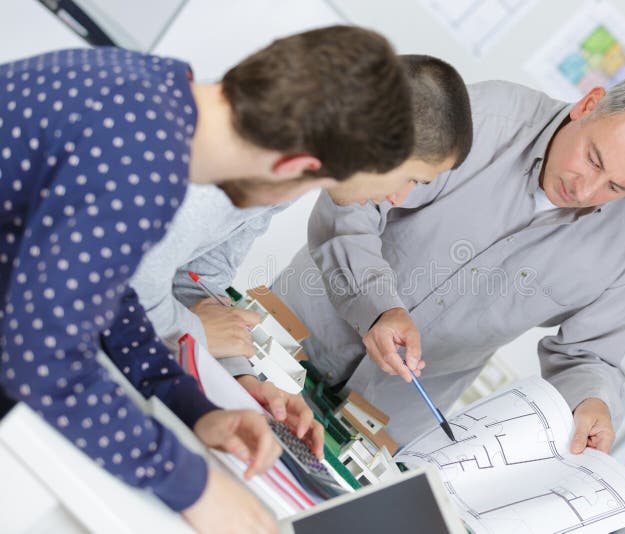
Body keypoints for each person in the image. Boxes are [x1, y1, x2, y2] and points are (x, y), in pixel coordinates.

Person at [0, 25, 413, 533]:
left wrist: (192, 406)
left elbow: (108, 296)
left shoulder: (152, 96)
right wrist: (193, 483)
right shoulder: (142, 164)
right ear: (295, 167)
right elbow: (40, 359)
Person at [272, 73, 625, 453]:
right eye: (593, 160)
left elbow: (589, 356)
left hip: (384, 419)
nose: (586, 191)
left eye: (617, 187)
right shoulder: (486, 118)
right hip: (291, 334)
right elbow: (353, 200)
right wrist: (378, 306)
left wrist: (592, 402)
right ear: (588, 105)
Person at [128, 55, 472, 454]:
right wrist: (198, 332)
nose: (399, 198)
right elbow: (126, 286)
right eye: (411, 178)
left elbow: (197, 276)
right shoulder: (231, 157)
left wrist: (243, 382)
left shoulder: (291, 172)